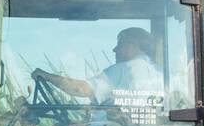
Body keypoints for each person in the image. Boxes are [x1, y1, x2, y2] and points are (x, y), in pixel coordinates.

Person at [32, 26, 165, 113]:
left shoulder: (122, 70)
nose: (114, 49)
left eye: (120, 44)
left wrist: (46, 76)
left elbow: (80, 89)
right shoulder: (162, 74)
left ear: (134, 45)